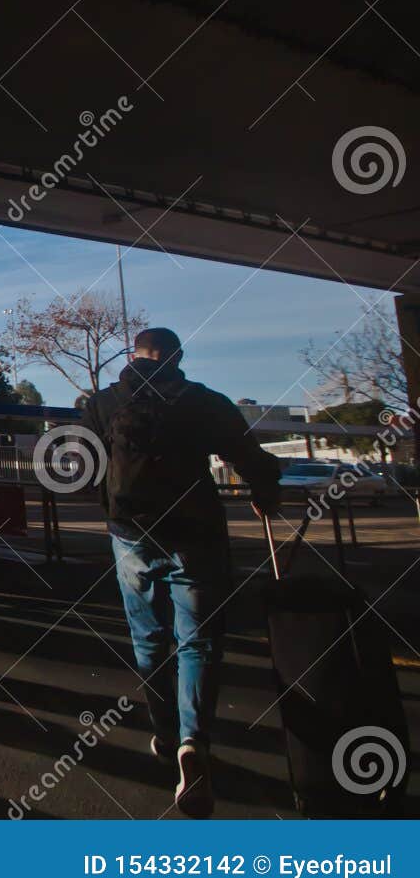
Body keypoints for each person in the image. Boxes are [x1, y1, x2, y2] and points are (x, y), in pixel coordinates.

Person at [81, 327, 282, 819]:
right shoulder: (200, 401)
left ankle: (165, 732)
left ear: (134, 355)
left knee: (148, 637)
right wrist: (264, 488)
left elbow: (83, 467)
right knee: (198, 642)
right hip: (194, 536)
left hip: (129, 536)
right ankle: (194, 742)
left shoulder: (103, 403)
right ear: (177, 358)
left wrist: (112, 510)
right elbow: (248, 455)